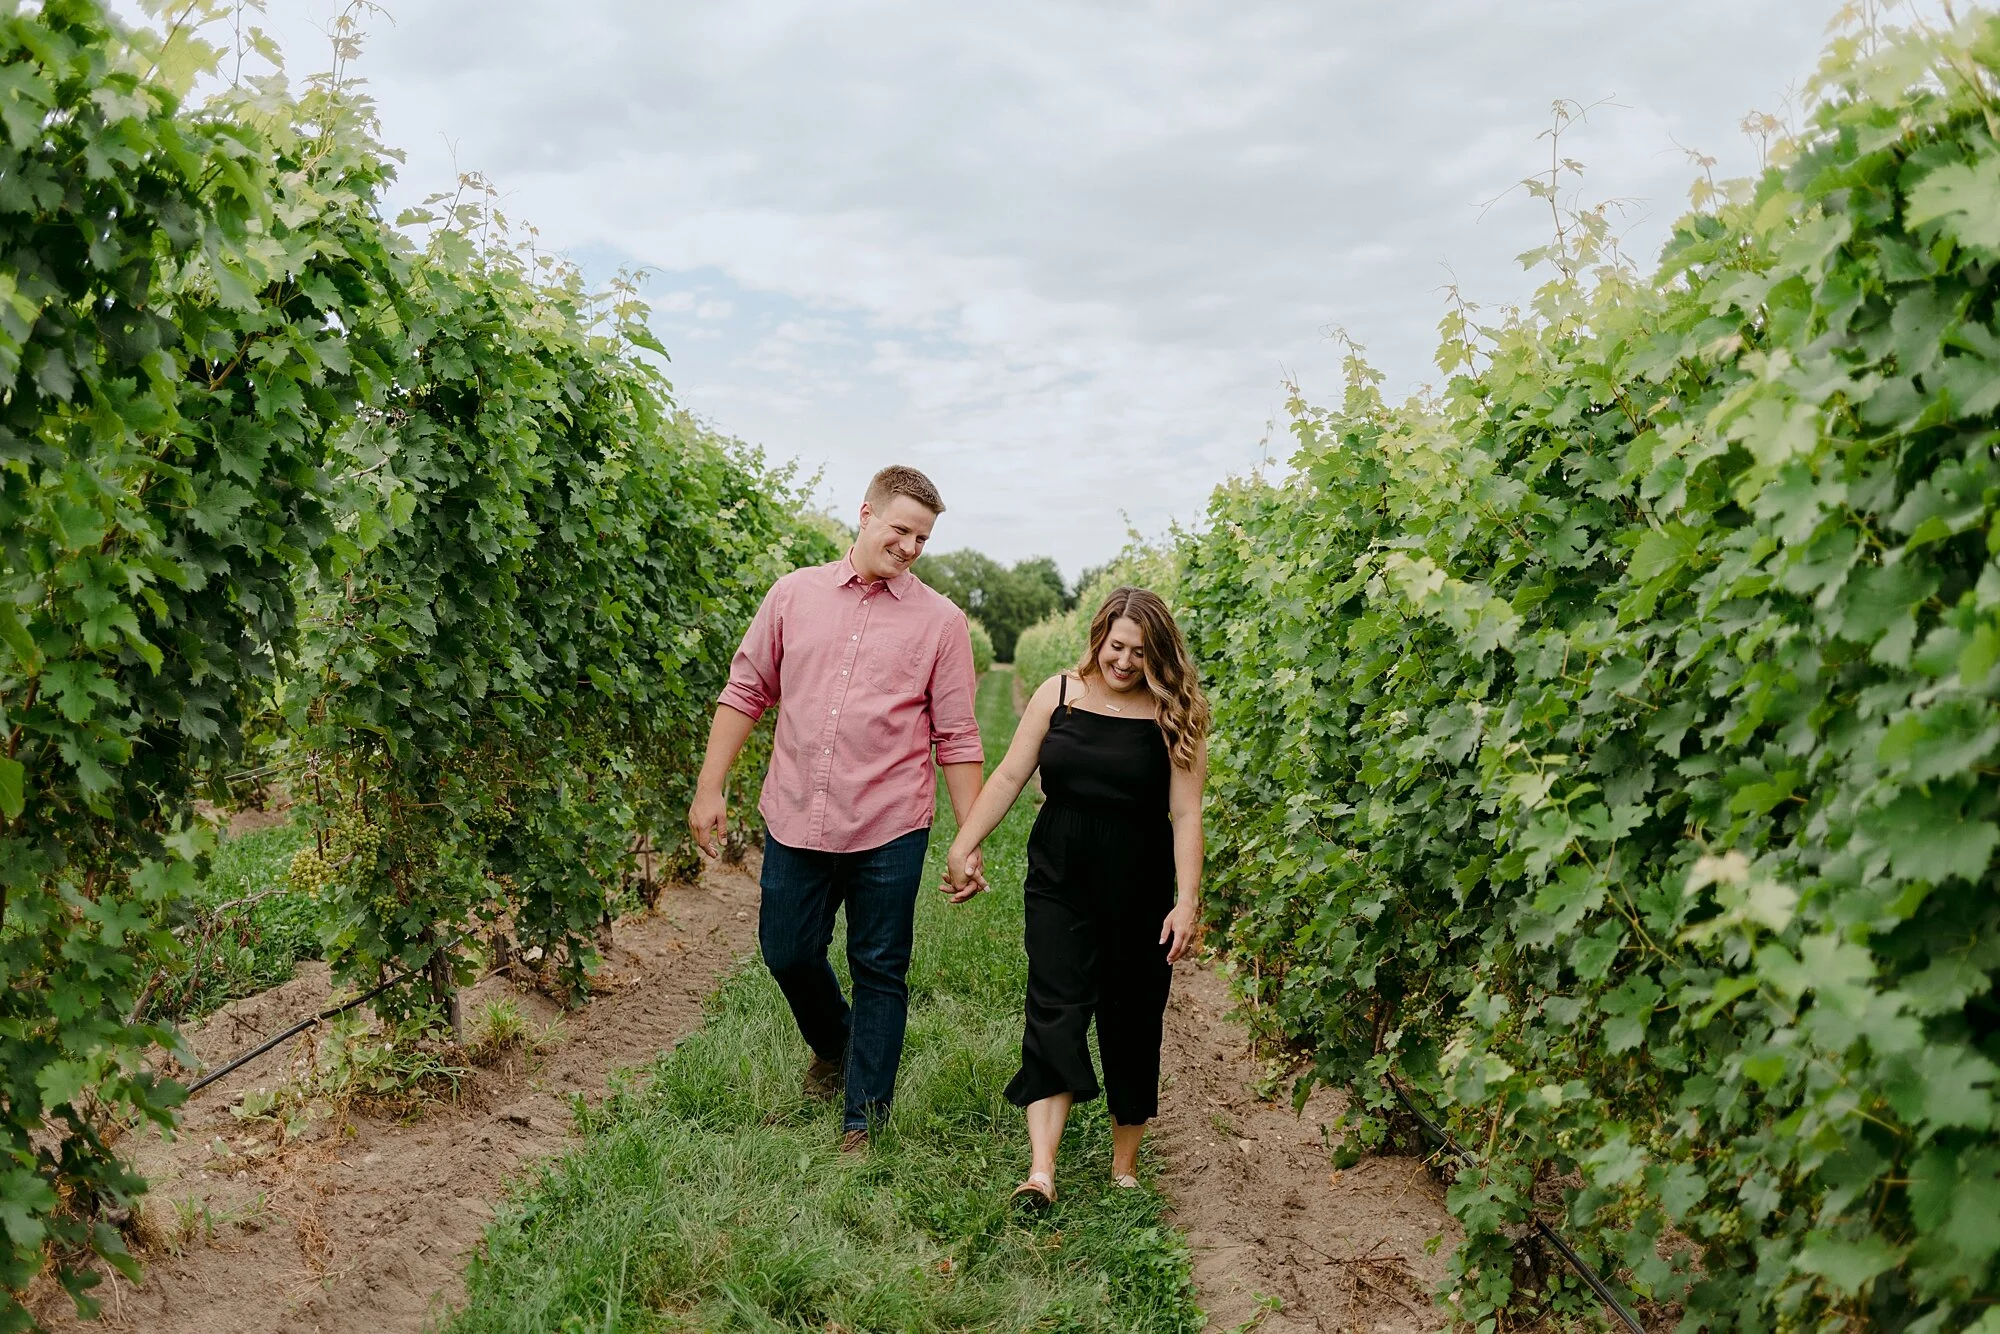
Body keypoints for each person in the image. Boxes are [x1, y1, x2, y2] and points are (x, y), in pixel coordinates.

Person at [688, 465, 987, 1154]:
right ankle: (837, 1045)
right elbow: (745, 690)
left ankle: (864, 1117)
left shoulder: (942, 622)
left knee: (880, 966)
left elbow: (959, 736)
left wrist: (967, 839)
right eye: (901, 530)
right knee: (787, 952)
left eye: (923, 537)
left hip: (890, 822)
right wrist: (711, 788)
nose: (911, 547)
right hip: (797, 813)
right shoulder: (793, 595)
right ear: (865, 514)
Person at [941, 586, 1209, 1204]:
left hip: (1140, 886)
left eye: (1141, 653)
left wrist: (1187, 900)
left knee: (1132, 1018)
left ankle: (1123, 1166)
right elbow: (1011, 773)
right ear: (1098, 638)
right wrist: (965, 843)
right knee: (1055, 1008)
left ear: (1158, 656)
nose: (1124, 662)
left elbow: (1187, 813)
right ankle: (1041, 1171)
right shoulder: (1058, 694)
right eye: (1117, 646)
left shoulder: (1177, 716)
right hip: (1059, 876)